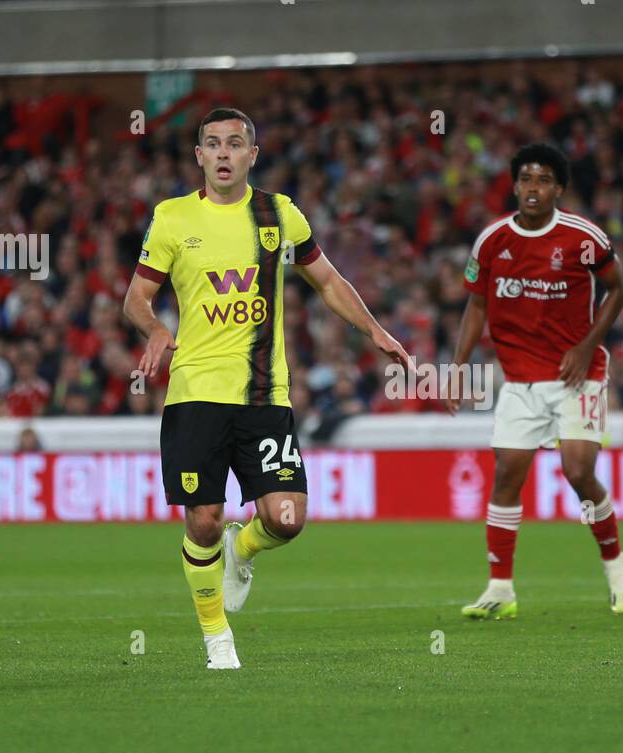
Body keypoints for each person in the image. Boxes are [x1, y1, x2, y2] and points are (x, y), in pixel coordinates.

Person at [123, 108, 410, 669]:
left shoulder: (280, 214)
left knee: (286, 518)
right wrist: (156, 327)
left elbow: (326, 279)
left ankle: (243, 547)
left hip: (264, 395)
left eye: (235, 144)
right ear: (199, 156)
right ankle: (217, 638)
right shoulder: (173, 218)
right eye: (213, 144)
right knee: (202, 518)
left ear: (253, 155)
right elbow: (136, 297)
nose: (224, 153)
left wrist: (374, 328)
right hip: (196, 392)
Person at [445, 142, 623, 619]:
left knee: (576, 471)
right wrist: (458, 365)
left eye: (544, 180)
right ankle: (500, 589)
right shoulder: (492, 241)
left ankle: (615, 564)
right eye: (527, 179)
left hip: (578, 374)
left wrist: (589, 344)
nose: (534, 188)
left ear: (559, 189)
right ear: (514, 186)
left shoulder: (581, 237)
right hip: (521, 380)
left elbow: (620, 288)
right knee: (507, 476)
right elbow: (478, 304)